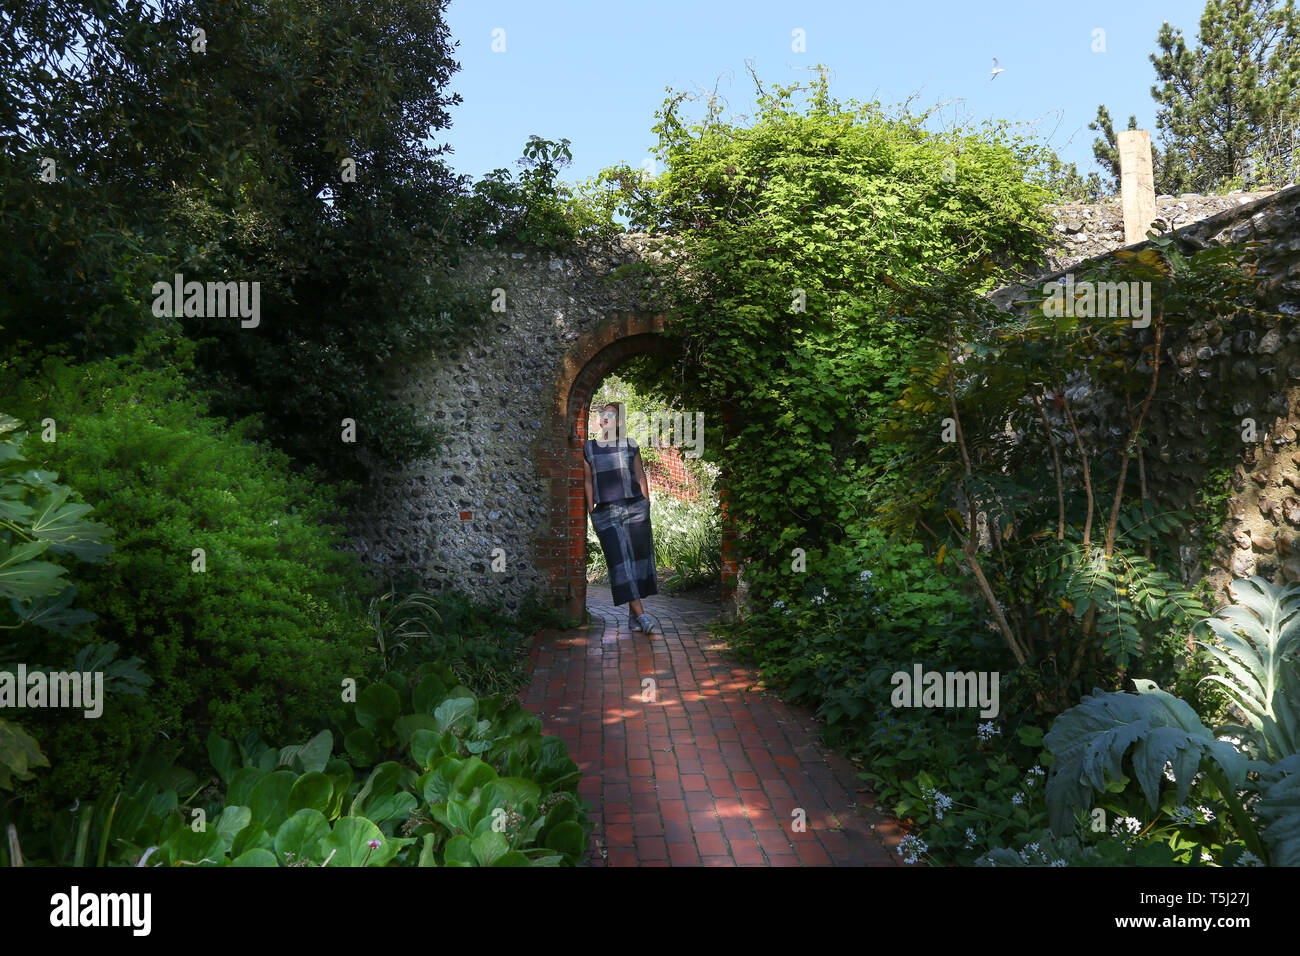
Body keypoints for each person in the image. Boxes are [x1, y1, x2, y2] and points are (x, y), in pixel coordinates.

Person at [582, 402, 658, 634]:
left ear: (620, 421)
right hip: (606, 511)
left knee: (637, 562)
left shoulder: (630, 445)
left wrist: (645, 504)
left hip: (635, 507)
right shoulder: (590, 448)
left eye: (611, 415)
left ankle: (633, 617)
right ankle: (642, 616)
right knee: (619, 563)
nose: (605, 418)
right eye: (602, 414)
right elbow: (587, 480)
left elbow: (641, 476)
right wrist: (591, 510)